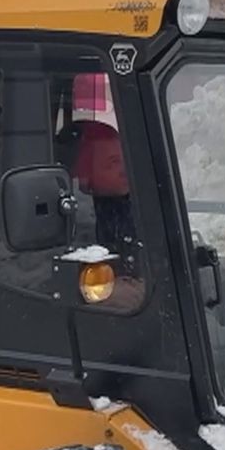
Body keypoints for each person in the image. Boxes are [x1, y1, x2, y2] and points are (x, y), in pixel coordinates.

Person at [69, 120, 147, 314]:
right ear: (85, 174)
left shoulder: (135, 206)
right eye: (113, 163)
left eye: (124, 160)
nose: (124, 170)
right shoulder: (75, 221)